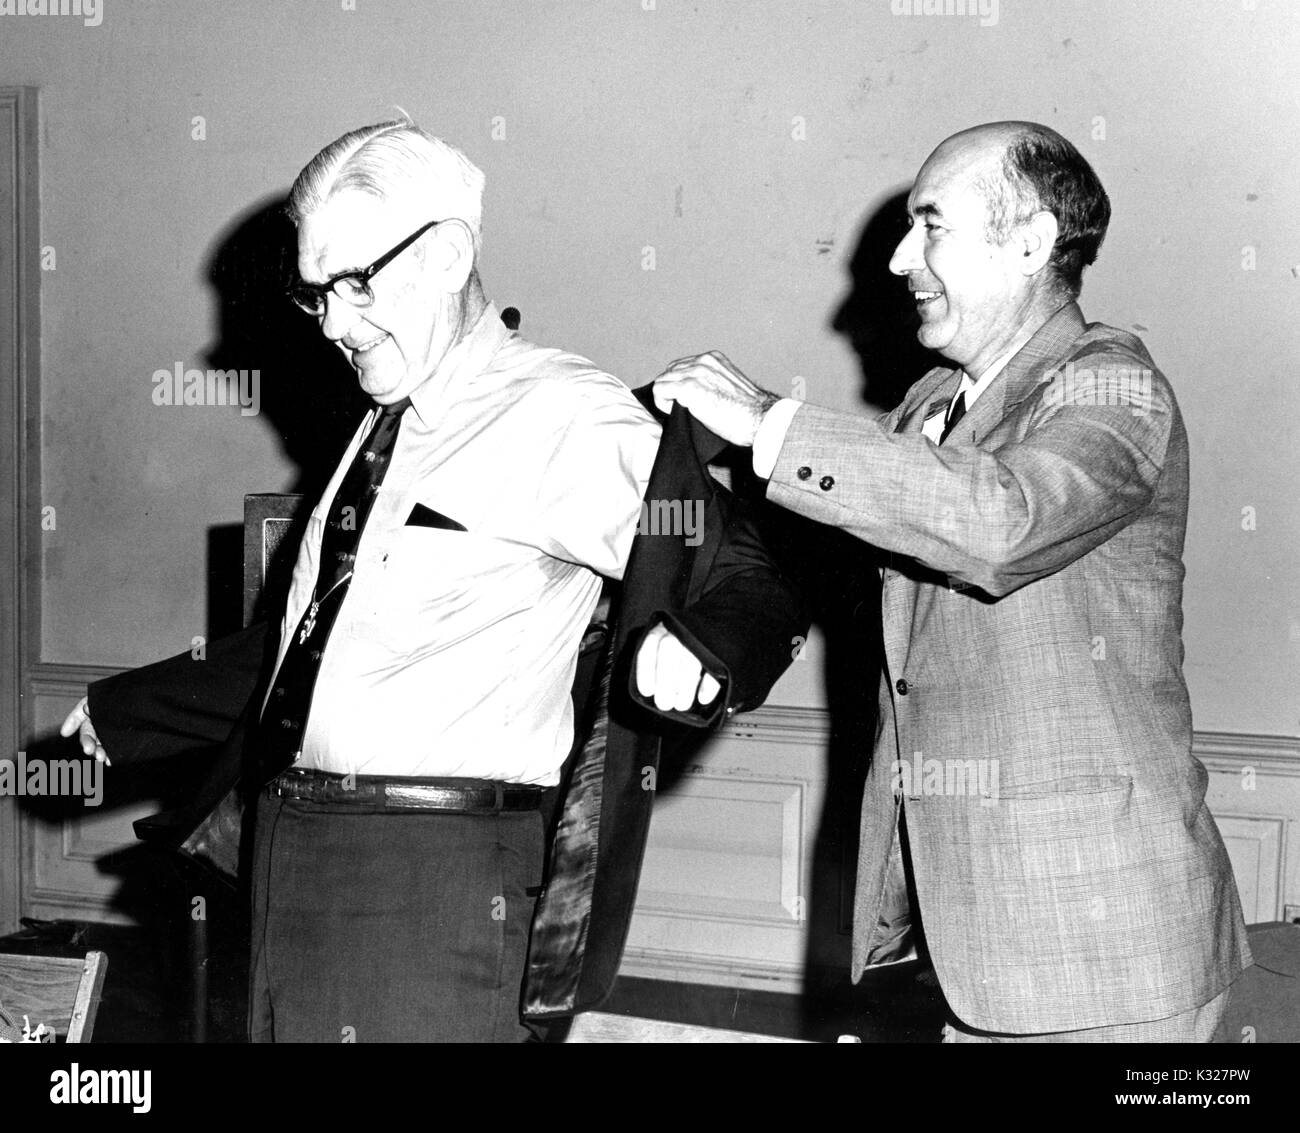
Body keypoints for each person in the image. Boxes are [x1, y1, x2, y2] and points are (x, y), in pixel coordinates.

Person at [60, 118, 804, 1042]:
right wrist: (128, 711)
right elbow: (316, 649)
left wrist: (704, 645)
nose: (333, 321)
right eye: (314, 292)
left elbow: (745, 564)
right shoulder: (386, 422)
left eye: (358, 283)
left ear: (450, 253)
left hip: (431, 883)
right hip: (290, 863)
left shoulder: (559, 412)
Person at [653, 120, 1250, 1042]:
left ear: (1029, 242)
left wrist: (774, 423)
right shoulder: (931, 407)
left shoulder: (1116, 389)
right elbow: (824, 560)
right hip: (950, 943)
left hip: (1102, 953)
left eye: (930, 226)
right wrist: (712, 636)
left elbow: (1002, 521)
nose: (897, 260)